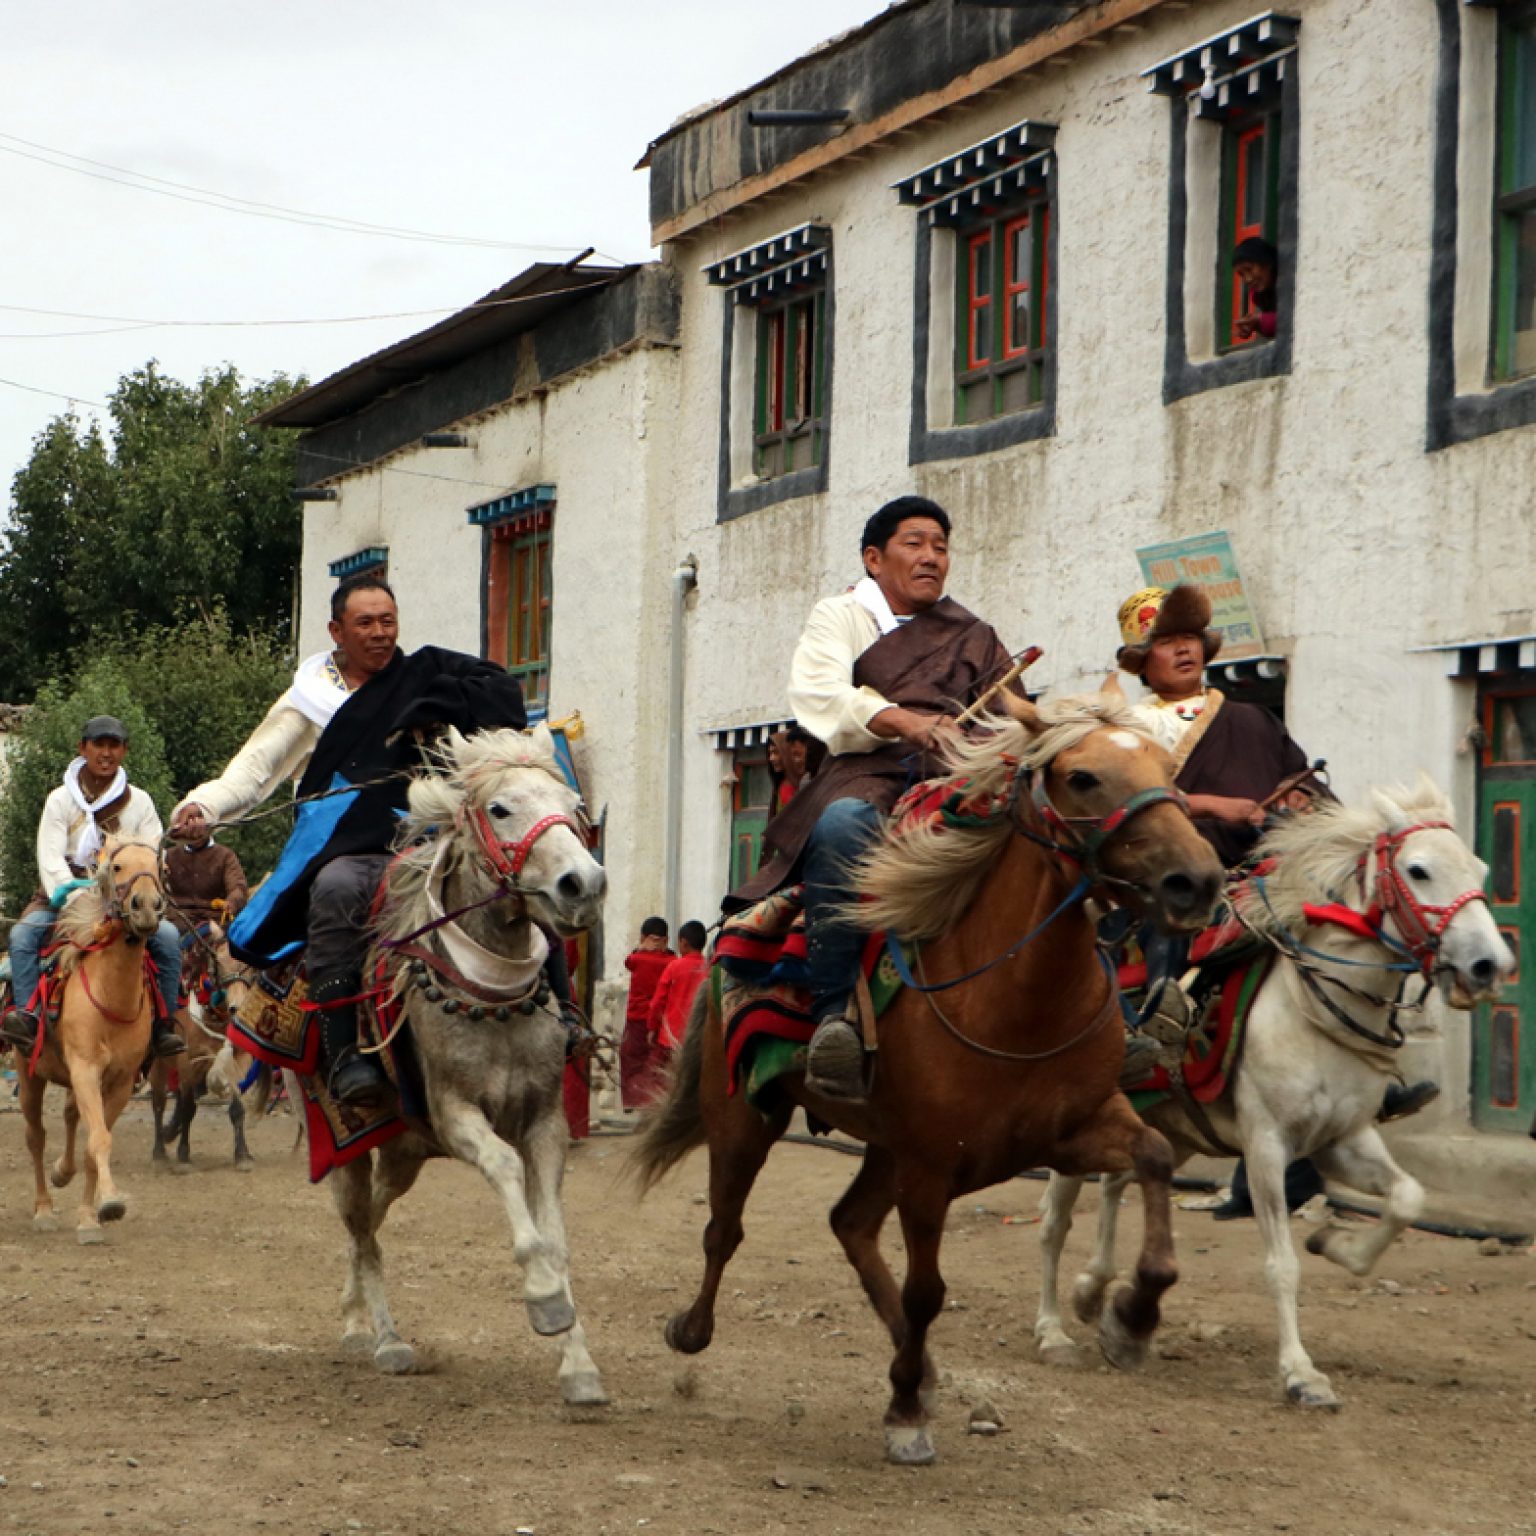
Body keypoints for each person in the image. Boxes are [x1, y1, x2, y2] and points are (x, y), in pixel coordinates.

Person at [1116, 583, 1437, 1216]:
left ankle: (1378, 1071)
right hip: (1177, 876)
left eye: (1189, 640)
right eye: (1166, 643)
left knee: (1353, 931)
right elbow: (1128, 804)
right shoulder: (1128, 729)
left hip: (1264, 872)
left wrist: (1298, 802)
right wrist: (1214, 806)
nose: (1182, 652)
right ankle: (1149, 1033)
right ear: (1142, 660)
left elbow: (1305, 786)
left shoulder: (1248, 719)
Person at [168, 574, 527, 1109]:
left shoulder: (427, 679)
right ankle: (343, 1053)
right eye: (366, 623)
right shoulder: (310, 703)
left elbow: (499, 703)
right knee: (336, 887)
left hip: (434, 839)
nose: (380, 633)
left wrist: (441, 710)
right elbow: (252, 771)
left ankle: (561, 1017)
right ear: (337, 630)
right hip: (349, 847)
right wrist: (203, 808)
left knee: (522, 879)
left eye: (388, 621)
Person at [730, 495, 1018, 1101]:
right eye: (914, 543)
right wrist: (906, 722)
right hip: (866, 769)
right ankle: (834, 1013)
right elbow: (821, 695)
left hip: (958, 771)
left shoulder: (973, 634)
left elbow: (1009, 708)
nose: (931, 557)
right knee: (843, 824)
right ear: (873, 558)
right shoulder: (839, 616)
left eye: (940, 546)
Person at [1, 716, 185, 1059]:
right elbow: (50, 855)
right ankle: (27, 1016)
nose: (106, 753)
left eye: (114, 745)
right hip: (63, 892)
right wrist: (72, 895)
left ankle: (164, 1024)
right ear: (82, 748)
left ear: (124, 751)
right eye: (98, 745)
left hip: (122, 897)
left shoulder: (140, 802)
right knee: (24, 935)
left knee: (170, 940)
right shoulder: (60, 800)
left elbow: (151, 851)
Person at [621, 917, 673, 1109]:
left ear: (644, 937)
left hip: (636, 1018)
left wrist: (641, 947)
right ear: (666, 940)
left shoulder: (637, 959)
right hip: (660, 1020)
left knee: (631, 1060)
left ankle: (632, 1102)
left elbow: (628, 961)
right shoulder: (671, 961)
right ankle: (654, 1102)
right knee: (656, 1063)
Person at [647, 919, 708, 1076]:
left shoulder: (674, 967)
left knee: (657, 1080)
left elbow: (658, 1002)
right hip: (697, 1040)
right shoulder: (709, 969)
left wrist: (652, 1027)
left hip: (670, 1038)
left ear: (684, 943)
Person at [164, 827, 249, 938]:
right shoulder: (168, 856)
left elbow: (238, 886)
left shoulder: (225, 855)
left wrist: (232, 902)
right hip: (178, 921)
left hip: (217, 920)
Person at [1231, 235, 1279, 344]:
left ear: (1267, 263)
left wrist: (1261, 320)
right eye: (1242, 274)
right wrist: (1255, 325)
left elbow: (1293, 320)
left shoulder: (1288, 280)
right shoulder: (1258, 295)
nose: (1247, 279)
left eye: (1249, 269)